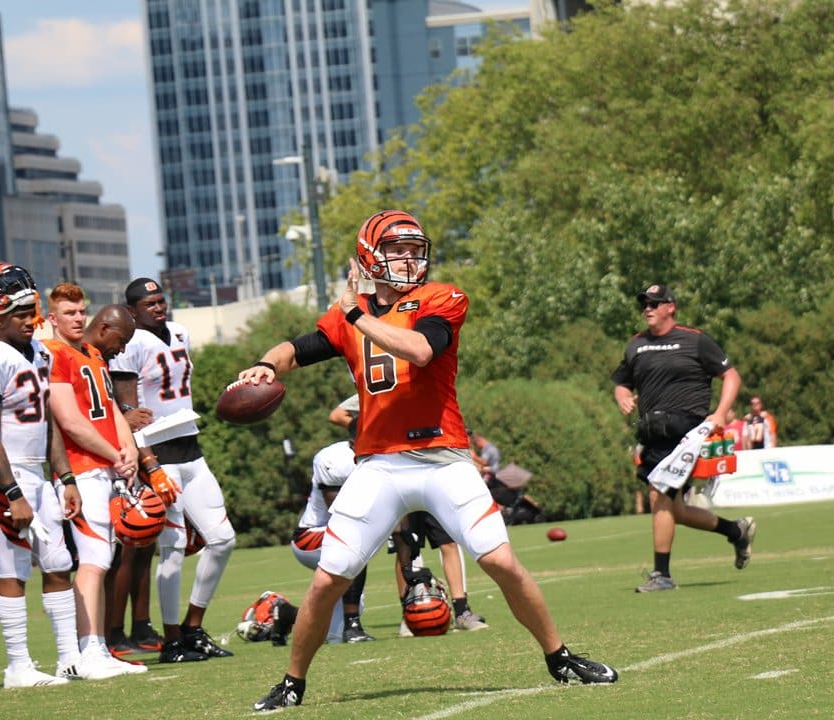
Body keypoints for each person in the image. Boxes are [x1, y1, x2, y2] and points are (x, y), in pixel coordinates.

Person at [239, 210, 617, 711]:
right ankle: (292, 682)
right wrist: (265, 366)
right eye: (397, 249)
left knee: (500, 559)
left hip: (443, 459)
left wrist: (356, 315)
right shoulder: (349, 314)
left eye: (416, 248)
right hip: (379, 464)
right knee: (330, 576)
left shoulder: (440, 297)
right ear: (371, 256)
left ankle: (560, 657)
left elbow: (420, 349)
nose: (410, 257)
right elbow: (294, 348)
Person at [0, 263, 82, 689]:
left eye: (32, 310)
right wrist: (12, 493)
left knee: (59, 562)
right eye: (19, 313)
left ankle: (70, 658)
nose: (31, 319)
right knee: (13, 569)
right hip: (0, 475)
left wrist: (65, 478)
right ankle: (18, 666)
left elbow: (48, 423)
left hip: (34, 472)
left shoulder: (42, 352)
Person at [109, 277, 232, 663]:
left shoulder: (180, 332)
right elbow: (128, 415)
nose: (158, 308)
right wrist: (150, 464)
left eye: (161, 301)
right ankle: (173, 640)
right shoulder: (129, 344)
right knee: (173, 550)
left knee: (223, 539)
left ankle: (193, 627)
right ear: (132, 311)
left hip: (191, 449)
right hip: (159, 456)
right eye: (149, 304)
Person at [611, 283, 756, 593]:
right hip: (652, 433)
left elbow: (731, 375)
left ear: (670, 307)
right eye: (644, 304)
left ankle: (662, 575)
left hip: (686, 434)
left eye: (653, 303)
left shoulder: (695, 340)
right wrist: (622, 396)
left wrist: (720, 414)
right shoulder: (636, 345)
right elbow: (622, 382)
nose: (647, 309)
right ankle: (735, 530)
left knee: (658, 494)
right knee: (673, 510)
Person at [42, 284, 148, 678]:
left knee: (104, 557)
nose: (76, 317)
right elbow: (69, 421)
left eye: (80, 311)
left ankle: (98, 648)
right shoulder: (51, 354)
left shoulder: (93, 355)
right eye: (68, 312)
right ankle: (86, 652)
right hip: (79, 468)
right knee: (94, 559)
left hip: (104, 467)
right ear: (52, 318)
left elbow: (114, 414)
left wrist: (130, 452)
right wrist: (113, 453)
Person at [330, 396, 488, 633]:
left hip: (433, 465)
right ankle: (410, 611)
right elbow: (337, 415)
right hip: (397, 469)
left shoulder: (427, 381)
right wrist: (373, 425)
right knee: (404, 544)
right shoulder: (381, 383)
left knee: (447, 541)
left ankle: (462, 610)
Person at [290, 420, 374, 644]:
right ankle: (352, 624)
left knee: (331, 635)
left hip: (337, 536)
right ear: (352, 443)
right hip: (310, 537)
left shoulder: (383, 458)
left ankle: (285, 615)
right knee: (355, 539)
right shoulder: (335, 459)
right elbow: (338, 510)